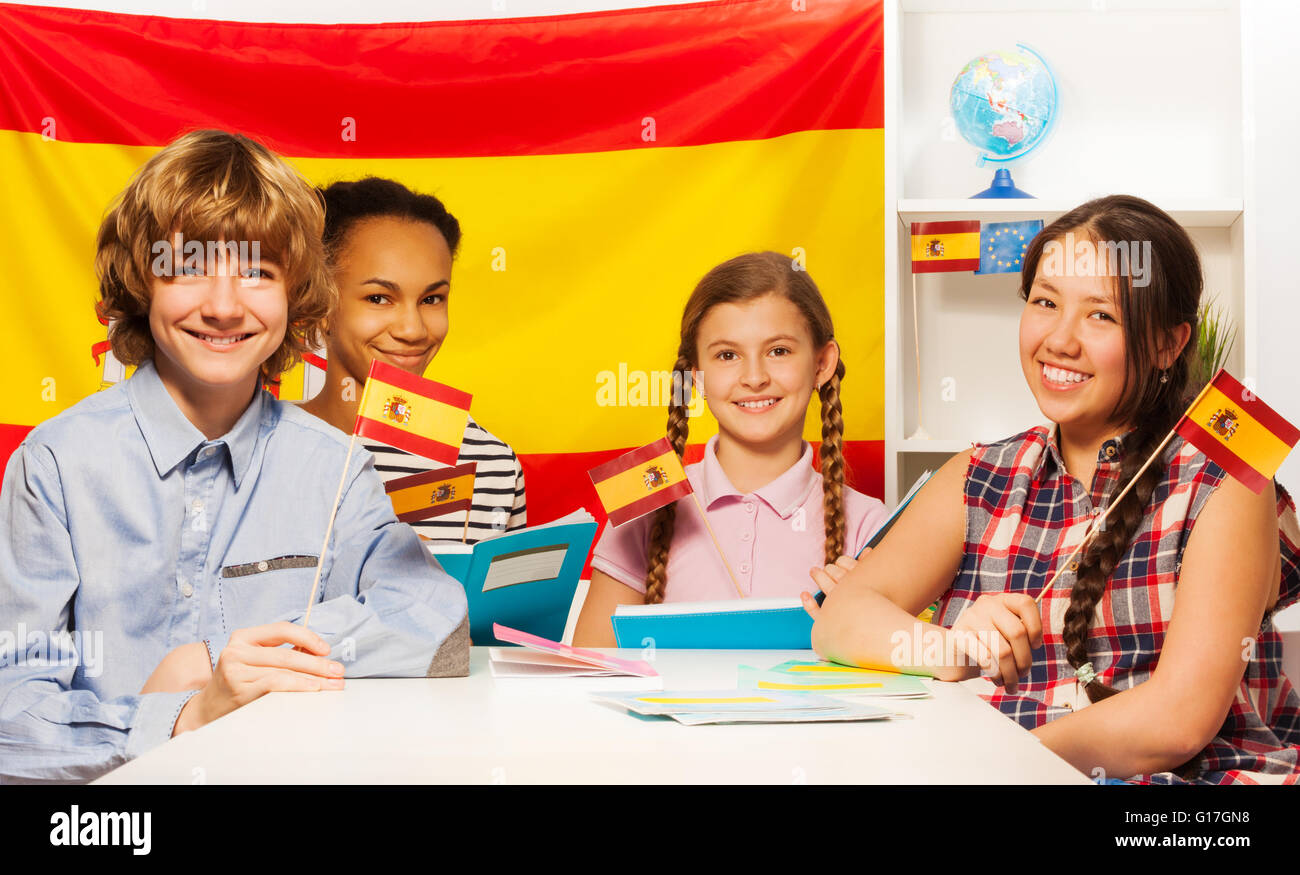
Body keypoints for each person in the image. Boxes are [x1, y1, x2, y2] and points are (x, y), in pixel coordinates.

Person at [0, 130, 468, 784]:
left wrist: (215, 658)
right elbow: (12, 716)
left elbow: (432, 615)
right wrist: (182, 715)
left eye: (257, 271)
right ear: (142, 282)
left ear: (298, 293)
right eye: (189, 266)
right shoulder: (54, 464)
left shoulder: (334, 467)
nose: (223, 307)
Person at [804, 195, 1300, 784]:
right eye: (1045, 302)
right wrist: (953, 649)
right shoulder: (983, 474)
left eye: (1101, 316)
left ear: (1169, 344)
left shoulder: (1226, 481)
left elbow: (1177, 722)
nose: (1060, 340)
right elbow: (839, 620)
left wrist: (994, 764)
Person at [573, 252, 888, 647]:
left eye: (779, 351)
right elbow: (590, 674)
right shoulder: (646, 502)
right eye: (727, 355)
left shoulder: (870, 527)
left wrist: (857, 624)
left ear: (822, 364)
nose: (754, 377)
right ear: (695, 376)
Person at [299, 177, 527, 543]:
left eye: (432, 299)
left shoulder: (491, 465)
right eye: (378, 298)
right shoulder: (262, 447)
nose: (413, 329)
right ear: (321, 303)